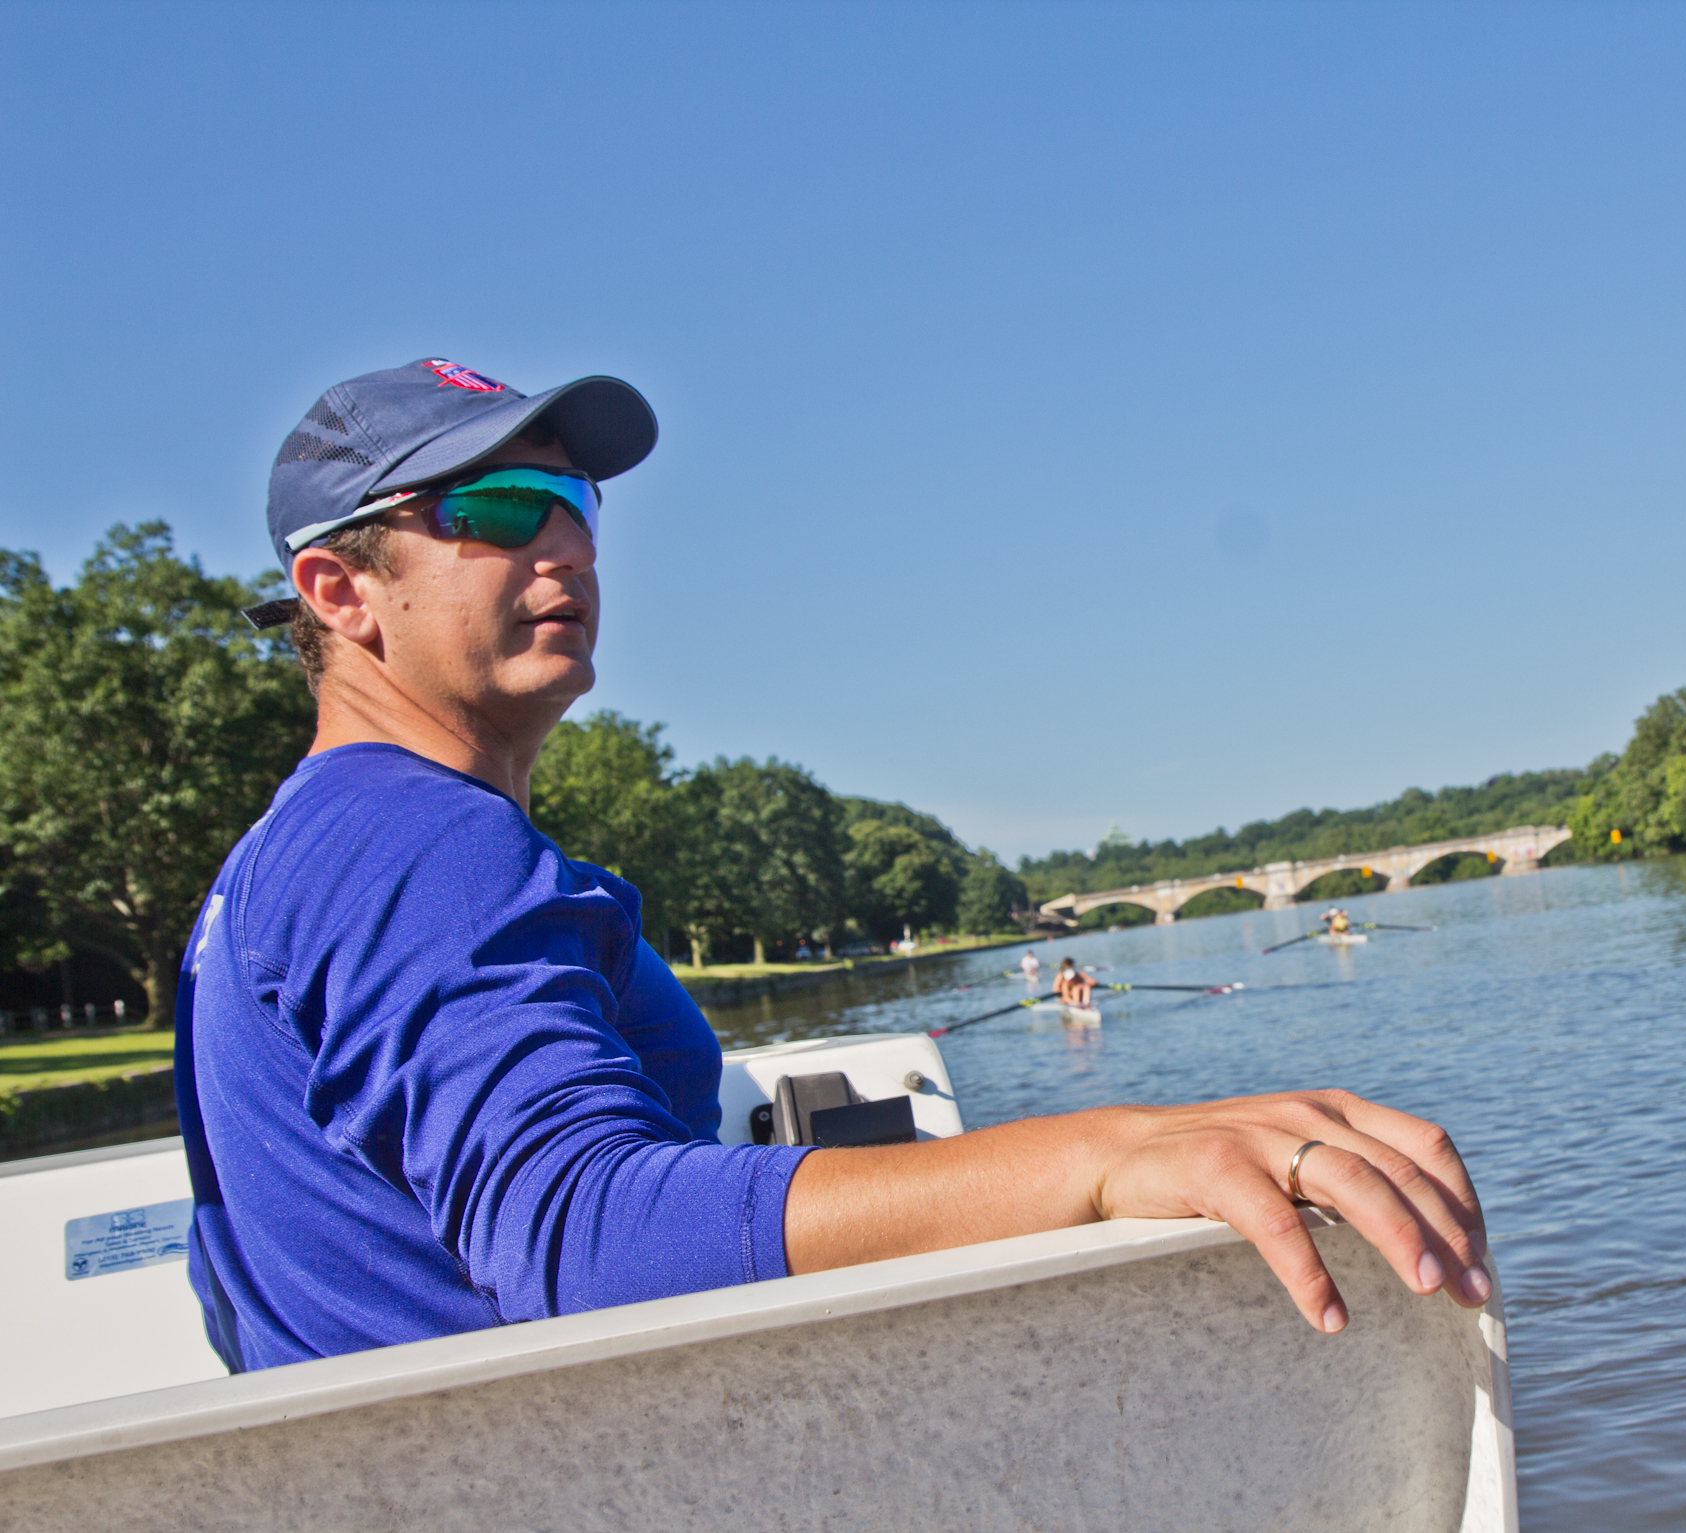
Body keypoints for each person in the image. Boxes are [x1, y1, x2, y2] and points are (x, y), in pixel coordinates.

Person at [179, 357, 1488, 1374]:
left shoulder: (280, 865)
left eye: (576, 504)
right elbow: (583, 1234)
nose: (567, 544)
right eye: (501, 509)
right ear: (341, 591)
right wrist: (1104, 1152)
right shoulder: (415, 840)